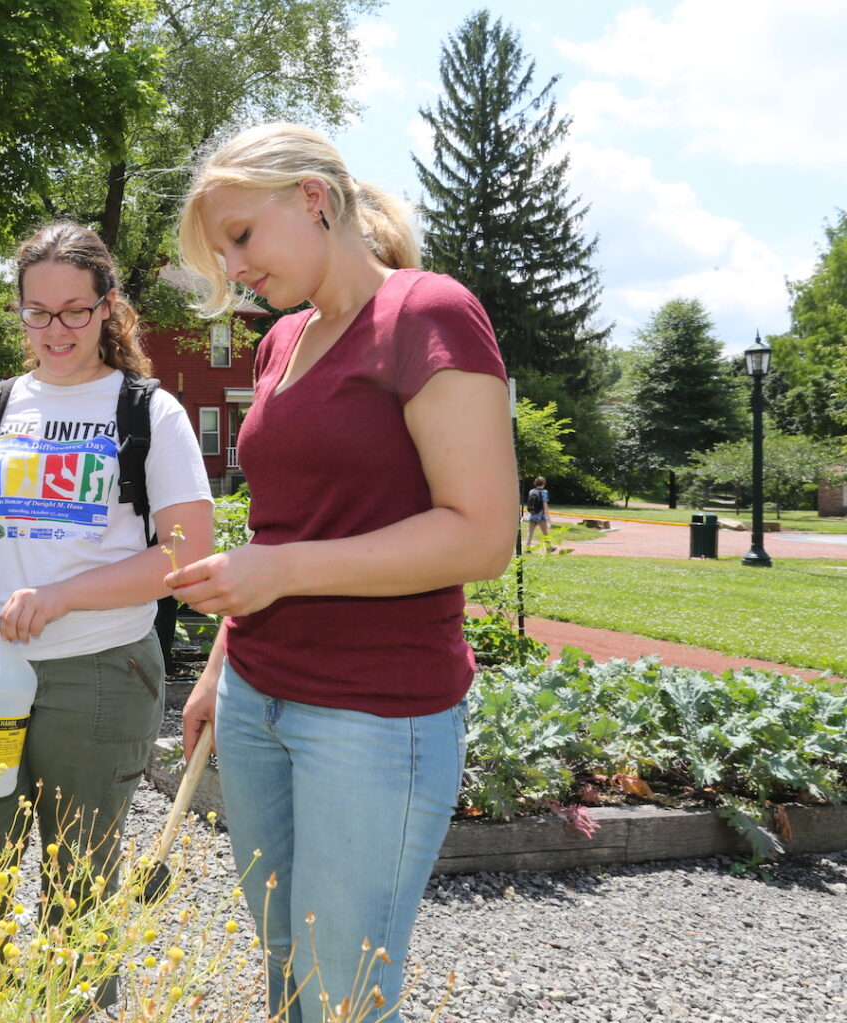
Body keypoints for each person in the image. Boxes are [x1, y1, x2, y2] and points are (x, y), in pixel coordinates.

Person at [168, 123, 518, 1020]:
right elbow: (283, 528)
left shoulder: (427, 312)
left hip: (374, 713)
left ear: (314, 199)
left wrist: (280, 571)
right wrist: (217, 670)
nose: (234, 267)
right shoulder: (281, 343)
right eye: (221, 250)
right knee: (287, 969)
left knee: (345, 993)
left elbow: (482, 537)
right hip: (256, 700)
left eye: (241, 236)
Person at [0, 221, 213, 1005]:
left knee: (78, 878)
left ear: (108, 306)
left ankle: (74, 1008)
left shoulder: (149, 413)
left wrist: (61, 597)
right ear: (17, 310)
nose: (56, 331)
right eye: (37, 312)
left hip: (98, 674)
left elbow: (186, 555)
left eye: (75, 311)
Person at [525, 476, 553, 549]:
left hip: (532, 514)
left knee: (530, 532)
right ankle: (549, 547)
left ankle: (527, 548)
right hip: (541, 516)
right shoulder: (544, 492)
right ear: (543, 483)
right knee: (545, 532)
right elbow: (545, 504)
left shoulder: (531, 491)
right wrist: (548, 516)